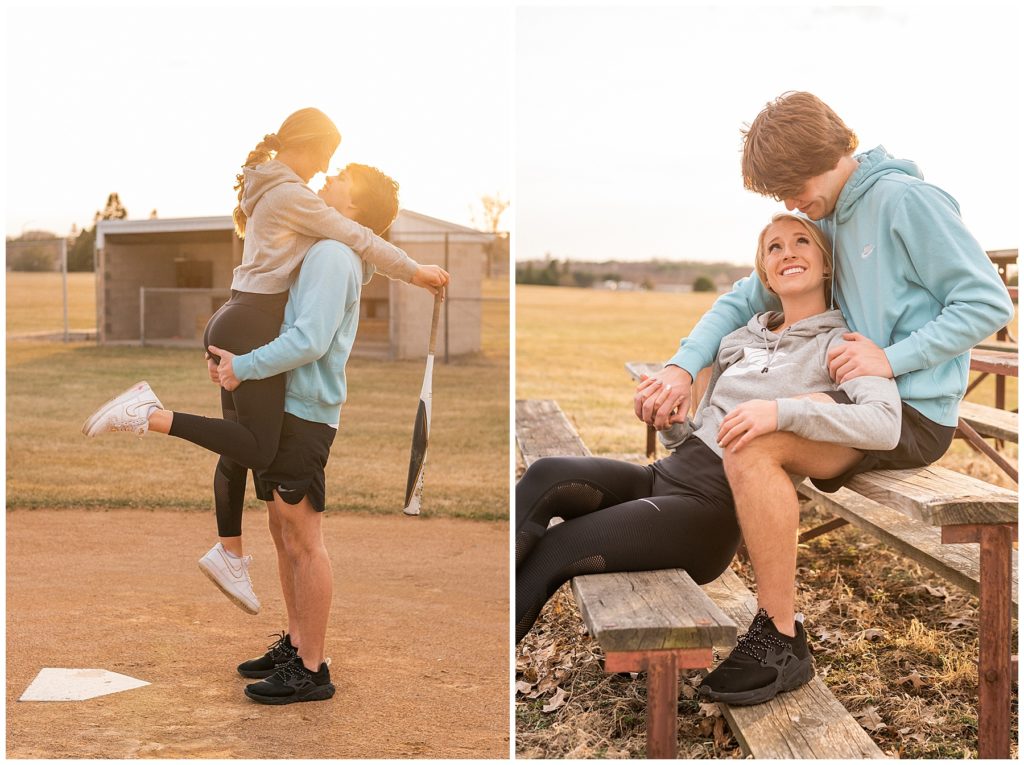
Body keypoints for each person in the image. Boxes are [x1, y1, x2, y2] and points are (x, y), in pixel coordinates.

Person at [634, 92, 1014, 704]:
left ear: (832, 153)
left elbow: (987, 303)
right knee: (742, 428)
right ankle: (744, 592)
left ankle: (780, 637)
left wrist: (892, 358)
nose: (789, 204)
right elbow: (740, 299)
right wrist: (683, 365)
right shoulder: (830, 213)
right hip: (851, 396)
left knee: (753, 441)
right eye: (778, 194)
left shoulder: (907, 201)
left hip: (908, 412)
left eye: (793, 185)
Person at [517, 214, 902, 708]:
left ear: (827, 265)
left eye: (802, 241)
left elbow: (884, 425)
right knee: (548, 472)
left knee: (559, 546)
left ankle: (481, 659)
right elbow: (696, 433)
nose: (788, 252)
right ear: (763, 272)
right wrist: (672, 420)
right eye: (774, 247)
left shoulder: (842, 344)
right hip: (664, 478)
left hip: (708, 512)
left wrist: (787, 410)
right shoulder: (742, 337)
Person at [82, 108, 449, 614]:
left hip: (234, 315)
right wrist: (415, 270)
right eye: (328, 158)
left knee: (236, 450)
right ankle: (151, 416)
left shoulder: (268, 186)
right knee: (256, 447)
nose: (326, 170)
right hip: (252, 322)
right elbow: (359, 238)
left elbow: (351, 251)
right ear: (309, 146)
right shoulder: (294, 196)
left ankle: (230, 552)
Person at [206, 162, 405, 704]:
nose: (326, 178)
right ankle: (297, 644)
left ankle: (312, 669)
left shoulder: (332, 255)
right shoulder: (321, 247)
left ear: (355, 206)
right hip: (284, 404)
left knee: (303, 537)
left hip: (304, 410)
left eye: (339, 175)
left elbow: (311, 339)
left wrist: (243, 367)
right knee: (281, 528)